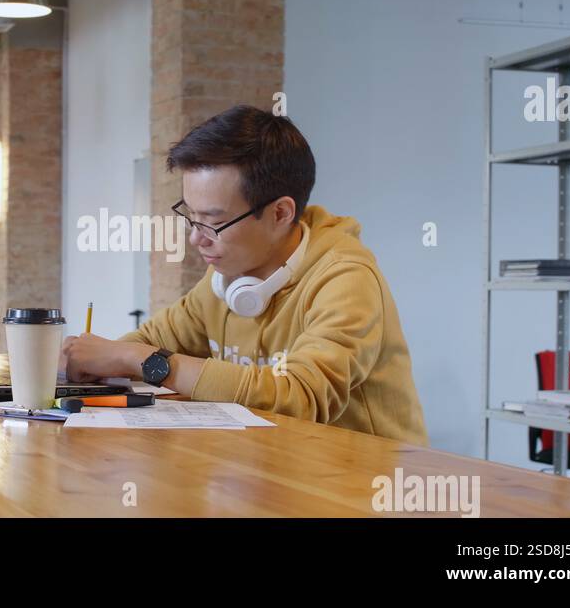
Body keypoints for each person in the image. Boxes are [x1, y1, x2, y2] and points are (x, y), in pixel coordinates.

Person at [62, 104, 428, 446]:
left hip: (364, 487)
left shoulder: (346, 280)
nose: (196, 238)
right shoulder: (225, 277)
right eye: (192, 216)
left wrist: (138, 360)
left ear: (281, 213)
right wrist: (89, 365)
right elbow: (150, 340)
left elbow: (299, 399)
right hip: (272, 470)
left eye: (215, 222)